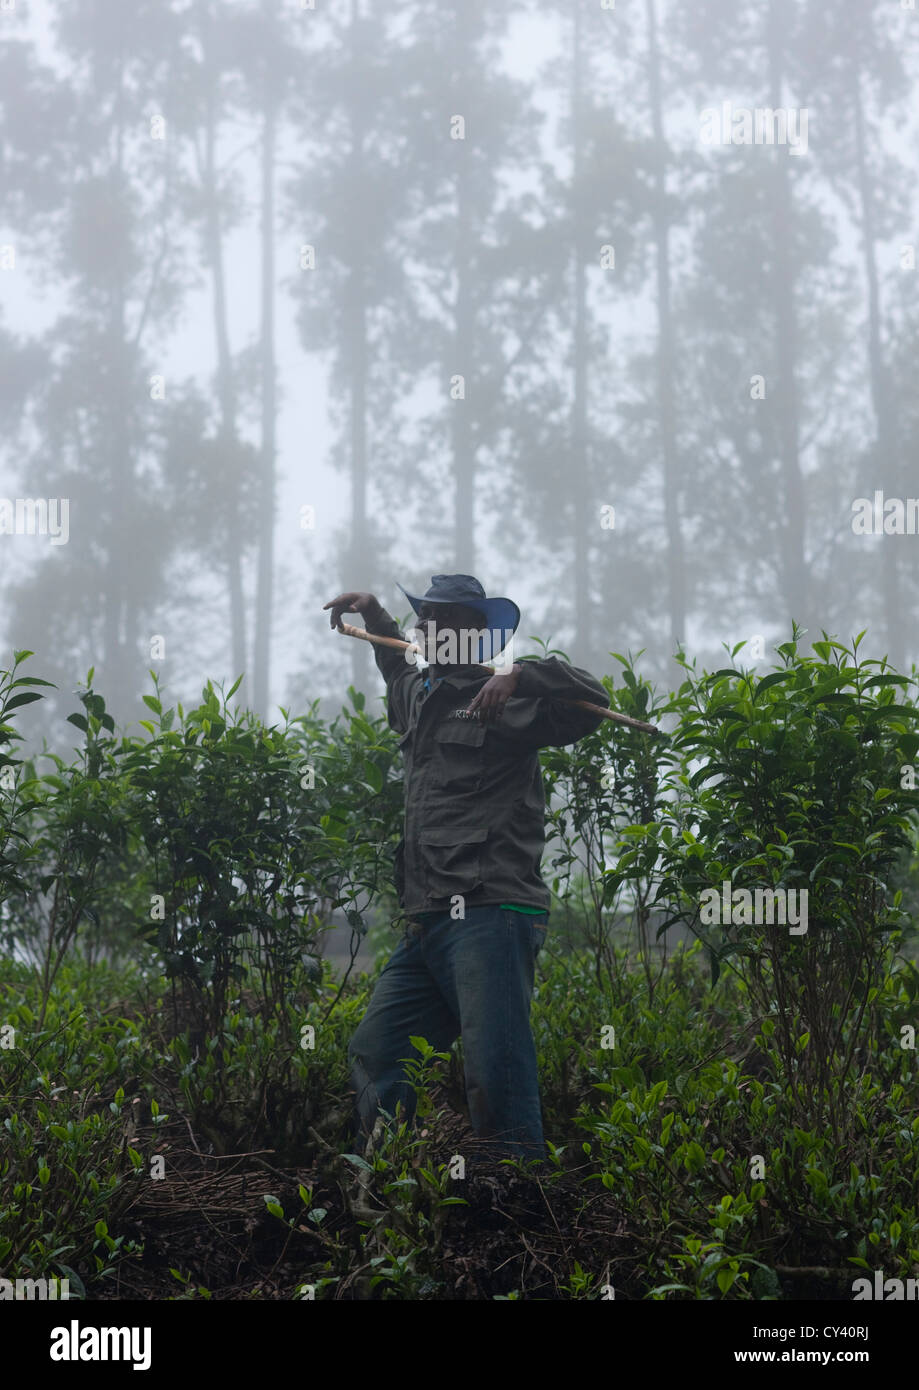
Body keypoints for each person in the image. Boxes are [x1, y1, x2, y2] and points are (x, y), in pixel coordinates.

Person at [322, 573, 610, 1164]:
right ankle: (388, 1190)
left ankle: (516, 1211)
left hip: (491, 913)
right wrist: (376, 618)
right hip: (426, 919)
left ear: (467, 634)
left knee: (494, 1070)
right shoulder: (418, 697)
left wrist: (523, 673)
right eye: (422, 619)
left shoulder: (510, 700)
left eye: (437, 619)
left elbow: (593, 698)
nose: (425, 629)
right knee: (378, 1051)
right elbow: (392, 669)